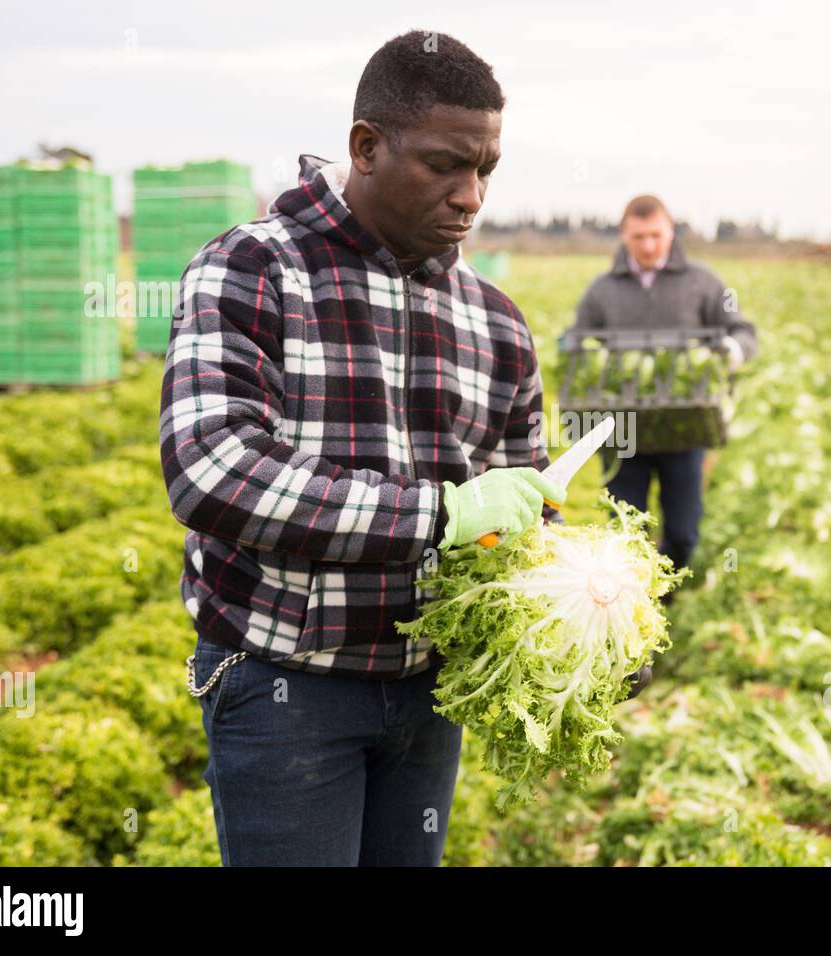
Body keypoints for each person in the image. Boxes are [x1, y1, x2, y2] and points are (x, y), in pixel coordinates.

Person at [159, 31, 572, 867]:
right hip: (285, 686)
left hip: (427, 695)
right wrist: (440, 512)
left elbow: (526, 504)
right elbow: (212, 469)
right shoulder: (253, 268)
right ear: (366, 147)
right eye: (446, 165)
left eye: (486, 169)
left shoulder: (496, 320)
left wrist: (578, 616)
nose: (471, 195)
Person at [569, 195, 758, 575]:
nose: (649, 245)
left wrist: (734, 348)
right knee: (624, 527)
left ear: (671, 232)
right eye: (639, 237)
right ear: (624, 236)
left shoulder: (702, 283)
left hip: (685, 424)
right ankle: (632, 593)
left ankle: (669, 581)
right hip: (623, 429)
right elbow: (578, 337)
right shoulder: (603, 290)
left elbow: (742, 329)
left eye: (656, 235)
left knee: (684, 532)